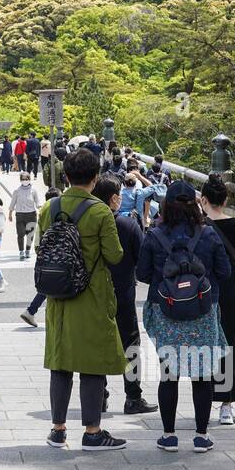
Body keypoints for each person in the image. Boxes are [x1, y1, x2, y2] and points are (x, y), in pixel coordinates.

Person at [36, 150, 128, 451]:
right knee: (92, 363)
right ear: (96, 178)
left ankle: (58, 430)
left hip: (58, 298)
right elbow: (114, 256)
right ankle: (92, 431)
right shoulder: (101, 212)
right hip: (91, 296)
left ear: (65, 176)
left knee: (60, 363)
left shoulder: (49, 208)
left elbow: (40, 247)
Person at [136, 180, 231, 455]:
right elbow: (224, 272)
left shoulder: (155, 235)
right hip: (202, 312)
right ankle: (201, 436)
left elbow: (142, 274)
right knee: (202, 376)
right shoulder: (209, 234)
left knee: (170, 375)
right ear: (195, 205)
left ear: (165, 205)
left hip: (166, 312)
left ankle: (169, 435)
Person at [93, 177, 157, 414]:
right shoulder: (127, 226)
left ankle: (99, 396)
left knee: (97, 344)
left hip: (94, 295)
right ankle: (133, 397)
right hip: (123, 294)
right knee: (130, 344)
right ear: (113, 198)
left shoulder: (87, 223)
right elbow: (143, 263)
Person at [199, 173, 235, 424]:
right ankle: (227, 405)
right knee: (233, 343)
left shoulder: (199, 227)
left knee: (207, 346)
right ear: (225, 200)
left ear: (203, 200)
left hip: (205, 290)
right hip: (233, 289)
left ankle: (203, 398)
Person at [19, 188, 60, 328]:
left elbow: (38, 233)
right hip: (57, 255)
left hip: (44, 255)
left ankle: (31, 311)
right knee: (53, 285)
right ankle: (32, 311)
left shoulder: (43, 211)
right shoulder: (57, 211)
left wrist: (38, 250)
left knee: (48, 285)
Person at [9, 172, 43, 261]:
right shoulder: (17, 191)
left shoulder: (33, 190)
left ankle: (27, 250)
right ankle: (21, 252)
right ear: (20, 180)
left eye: (26, 179)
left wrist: (40, 209)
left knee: (30, 234)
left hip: (31, 214)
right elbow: (13, 203)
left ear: (29, 179)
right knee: (20, 234)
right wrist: (10, 213)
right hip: (20, 214)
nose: (25, 181)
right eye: (23, 179)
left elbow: (37, 202)